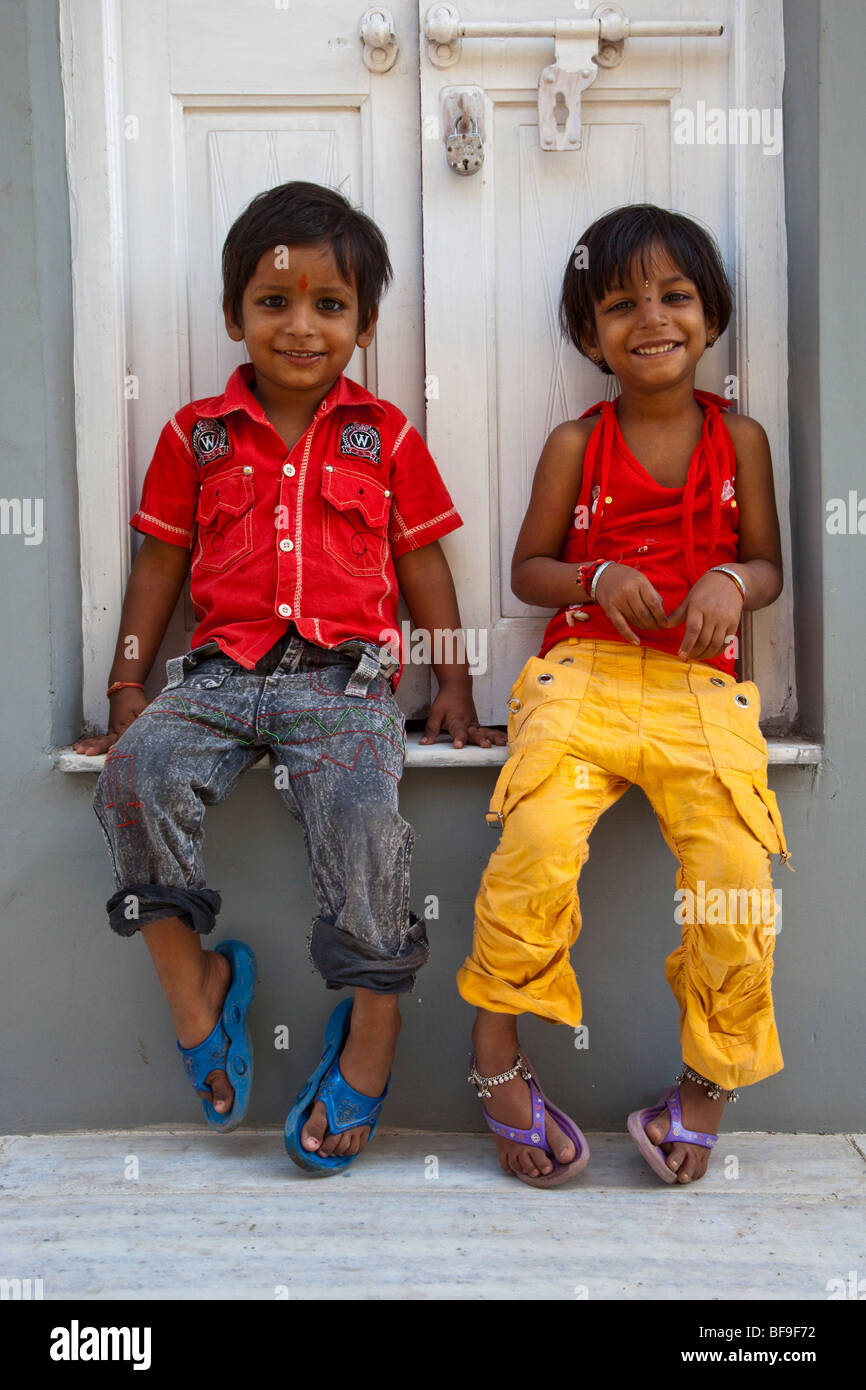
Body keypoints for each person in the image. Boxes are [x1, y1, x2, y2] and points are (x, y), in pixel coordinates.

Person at [75, 180, 504, 1173]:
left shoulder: (383, 435)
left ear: (364, 321)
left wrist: (452, 684)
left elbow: (424, 561)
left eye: (329, 305)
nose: (301, 326)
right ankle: (198, 993)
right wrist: (127, 690)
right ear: (234, 314)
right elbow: (159, 567)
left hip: (343, 682)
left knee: (362, 817)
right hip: (217, 677)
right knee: (132, 776)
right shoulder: (196, 435)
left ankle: (371, 1028)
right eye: (274, 302)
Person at [458, 204, 791, 1188]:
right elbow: (529, 568)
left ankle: (703, 1085)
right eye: (619, 303)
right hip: (584, 676)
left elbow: (766, 561)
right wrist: (595, 577)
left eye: (674, 296)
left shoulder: (741, 440)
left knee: (736, 873)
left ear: (711, 314)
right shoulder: (577, 441)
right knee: (532, 846)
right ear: (586, 332)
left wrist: (732, 583)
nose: (650, 318)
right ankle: (494, 1060)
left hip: (698, 689)